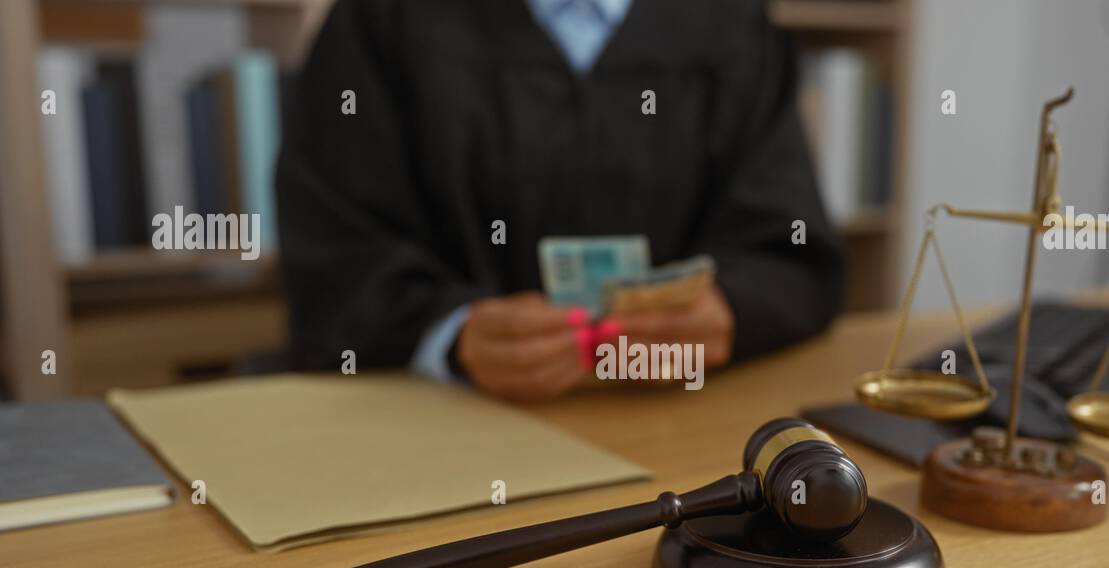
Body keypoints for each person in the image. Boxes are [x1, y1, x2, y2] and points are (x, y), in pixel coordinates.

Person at [277, 0, 844, 402]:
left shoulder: (732, 26)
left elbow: (791, 249)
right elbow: (336, 247)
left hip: (680, 438)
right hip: (442, 433)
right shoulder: (384, 18)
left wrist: (730, 311)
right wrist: (453, 335)